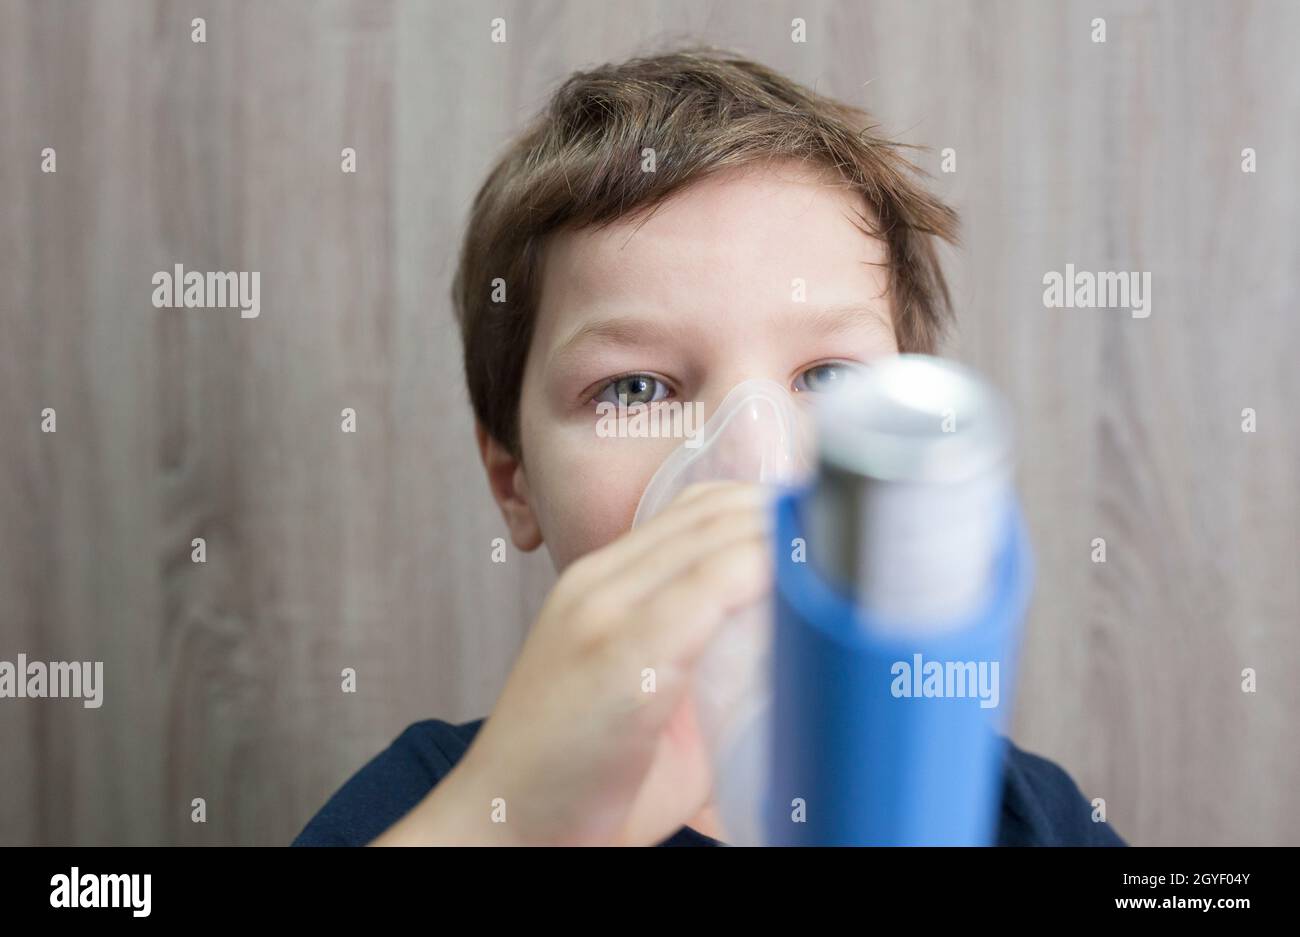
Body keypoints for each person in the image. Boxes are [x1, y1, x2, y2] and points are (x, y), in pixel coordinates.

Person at [293, 47, 1125, 847]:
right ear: (513, 482)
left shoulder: (1031, 818)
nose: (752, 461)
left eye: (827, 377)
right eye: (635, 388)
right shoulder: (433, 805)